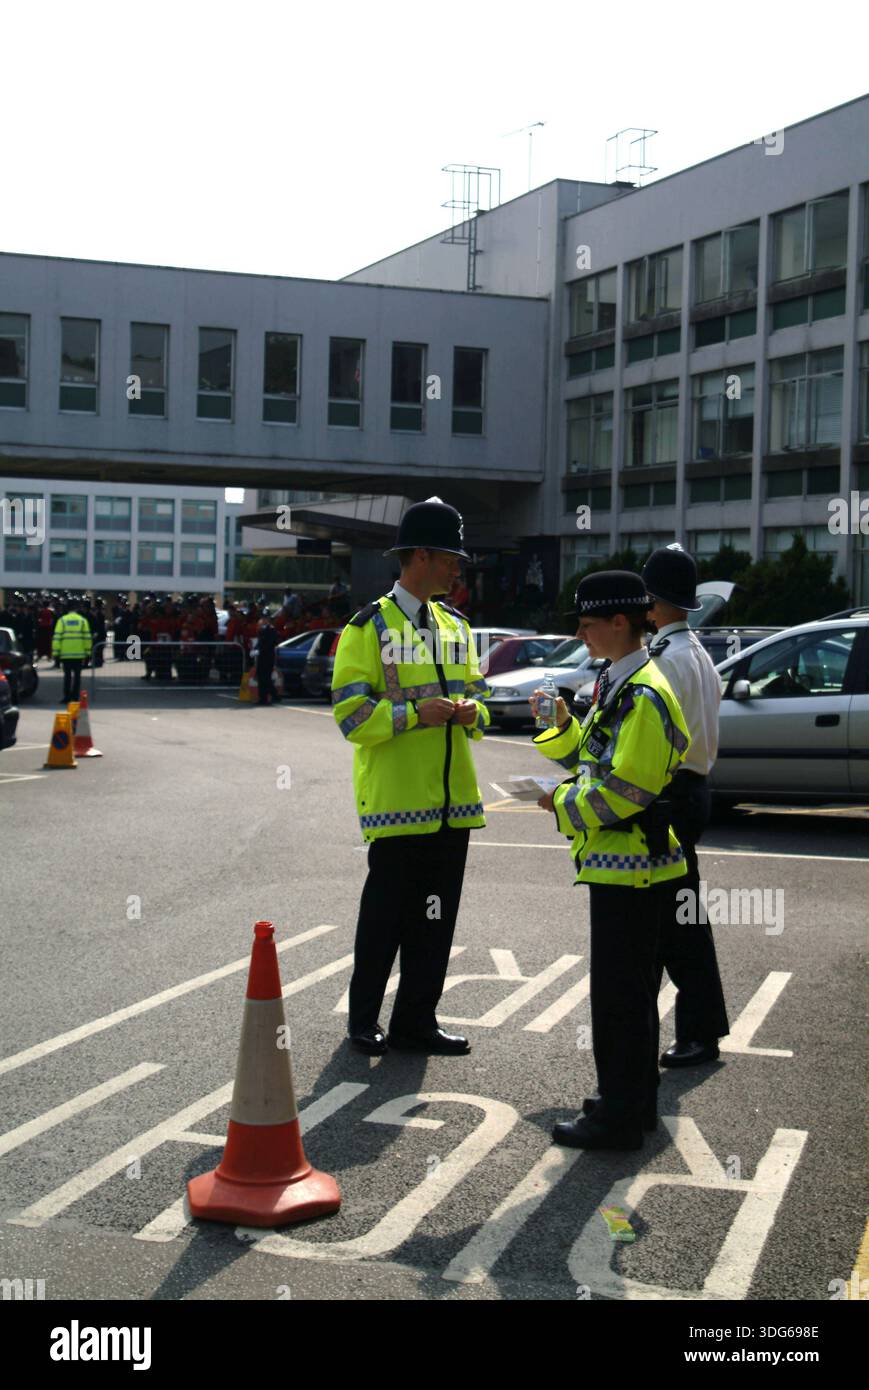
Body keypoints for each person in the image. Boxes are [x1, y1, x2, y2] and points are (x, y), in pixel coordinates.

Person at [530, 571, 691, 1150]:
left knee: (620, 999)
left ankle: (620, 1118)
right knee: (628, 994)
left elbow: (627, 791)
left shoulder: (643, 693)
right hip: (620, 865)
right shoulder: (618, 682)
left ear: (620, 622)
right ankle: (630, 1098)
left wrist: (559, 803)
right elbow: (593, 755)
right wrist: (559, 727)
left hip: (631, 867)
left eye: (587, 622)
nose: (580, 632)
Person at [331, 497, 491, 1057]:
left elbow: (479, 698)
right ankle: (363, 1020)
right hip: (398, 804)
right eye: (450, 557)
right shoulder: (368, 626)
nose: (457, 568)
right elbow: (352, 717)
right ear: (419, 555)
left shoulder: (456, 626)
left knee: (435, 920)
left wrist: (475, 714)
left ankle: (416, 1020)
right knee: (385, 919)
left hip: (454, 805)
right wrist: (410, 716)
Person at [642, 543, 730, 1067]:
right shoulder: (696, 653)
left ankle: (693, 1032)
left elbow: (658, 741)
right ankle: (699, 1027)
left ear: (653, 603)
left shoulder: (667, 660)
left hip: (670, 795)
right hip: (694, 790)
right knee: (682, 916)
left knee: (672, 923)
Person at [53, 597, 92, 705]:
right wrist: (88, 653)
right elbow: (87, 638)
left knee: (67, 677)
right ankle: (75, 697)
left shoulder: (62, 620)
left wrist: (56, 653)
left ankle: (66, 697)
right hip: (79, 655)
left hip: (65, 655)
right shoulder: (82, 621)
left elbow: (57, 637)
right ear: (77, 608)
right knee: (77, 677)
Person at [254, 611, 279, 704]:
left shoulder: (272, 630)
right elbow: (260, 642)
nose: (263, 620)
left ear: (268, 619)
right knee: (261, 677)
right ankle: (263, 697)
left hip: (268, 656)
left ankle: (273, 695)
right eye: (262, 618)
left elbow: (270, 643)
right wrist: (255, 649)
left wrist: (260, 650)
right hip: (261, 656)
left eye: (265, 618)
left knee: (266, 677)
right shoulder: (261, 629)